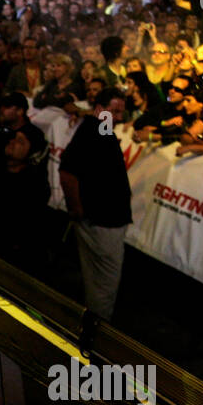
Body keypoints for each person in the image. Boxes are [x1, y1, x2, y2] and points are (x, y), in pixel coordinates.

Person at [59, 87, 132, 320]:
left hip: (101, 220)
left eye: (122, 113)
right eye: (114, 111)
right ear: (99, 109)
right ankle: (96, 339)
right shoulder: (94, 132)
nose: (119, 118)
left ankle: (90, 330)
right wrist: (76, 208)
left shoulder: (100, 131)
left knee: (95, 282)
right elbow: (67, 172)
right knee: (104, 285)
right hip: (102, 222)